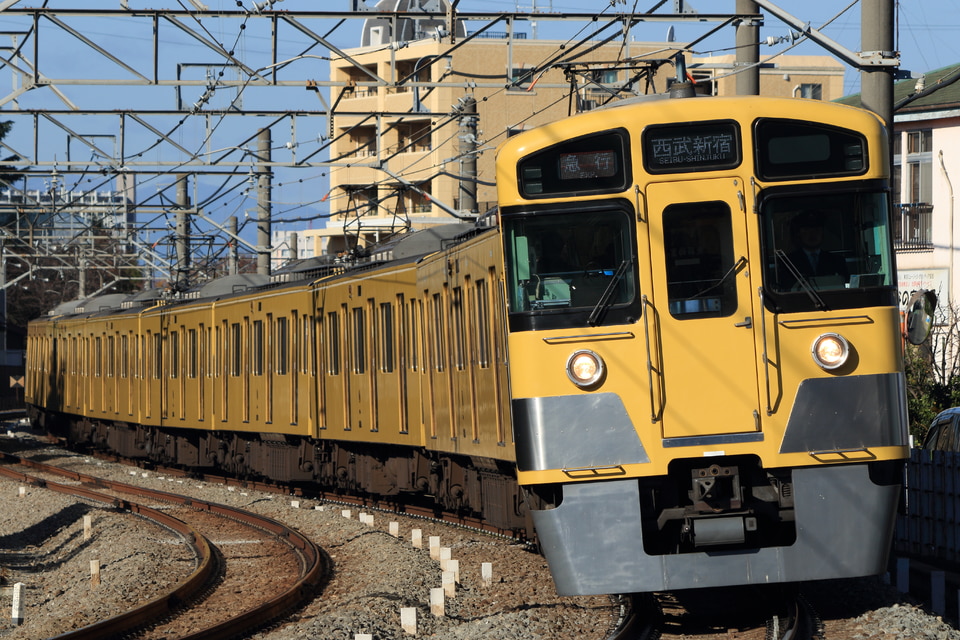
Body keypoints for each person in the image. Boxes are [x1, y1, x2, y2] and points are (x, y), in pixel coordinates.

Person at [781, 210, 848, 289]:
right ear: (798, 233)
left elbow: (845, 286)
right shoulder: (787, 262)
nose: (812, 234)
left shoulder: (837, 261)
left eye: (817, 229)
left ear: (823, 232)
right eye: (806, 229)